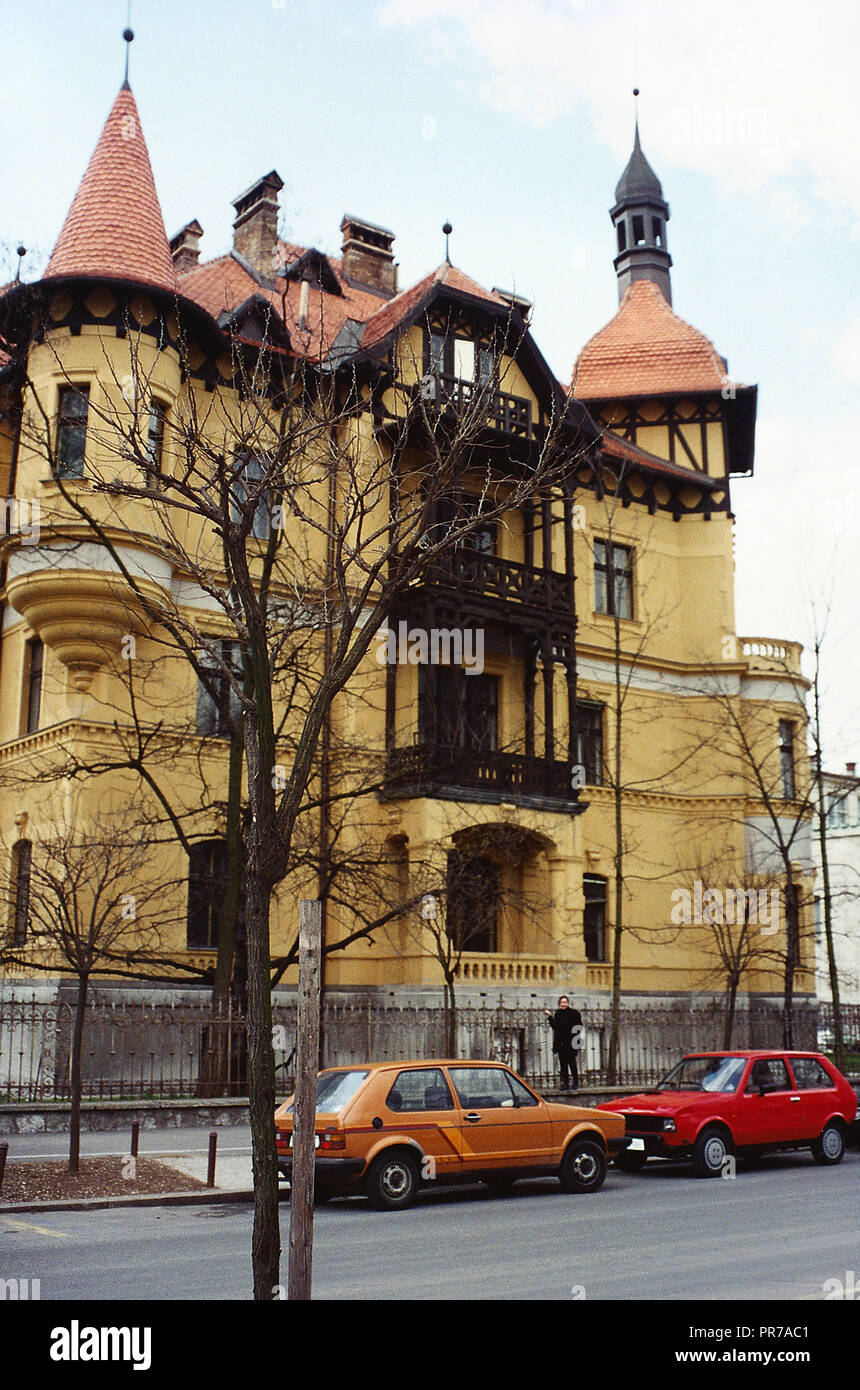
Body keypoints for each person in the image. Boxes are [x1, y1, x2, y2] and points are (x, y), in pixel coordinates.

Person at [544, 996, 583, 1091]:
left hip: (571, 1042)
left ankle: (575, 1083)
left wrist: (575, 1040)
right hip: (561, 1043)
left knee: (572, 1063)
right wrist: (550, 1017)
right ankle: (565, 1084)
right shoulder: (558, 1014)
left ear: (568, 1003)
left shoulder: (574, 1013)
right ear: (559, 1003)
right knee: (563, 1065)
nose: (563, 1004)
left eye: (565, 1002)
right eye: (562, 1002)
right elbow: (556, 1027)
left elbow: (579, 1026)